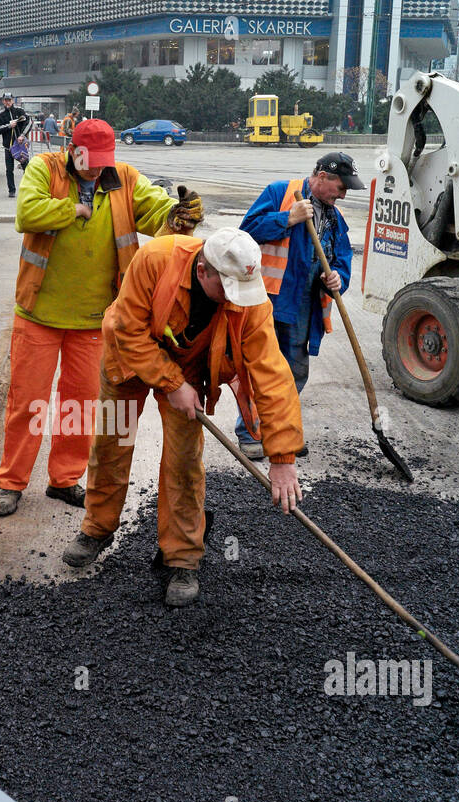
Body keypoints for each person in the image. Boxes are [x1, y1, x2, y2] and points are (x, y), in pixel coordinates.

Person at [60, 229, 305, 607]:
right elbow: (127, 328)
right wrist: (171, 384)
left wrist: (283, 458)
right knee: (111, 445)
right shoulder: (156, 259)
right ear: (203, 269)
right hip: (128, 359)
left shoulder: (248, 297)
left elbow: (272, 376)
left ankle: (183, 558)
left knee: (184, 462)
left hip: (189, 365)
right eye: (225, 289)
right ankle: (97, 529)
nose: (234, 300)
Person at [0, 119, 204, 518]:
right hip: (39, 312)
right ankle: (11, 482)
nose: (95, 170)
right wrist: (72, 209)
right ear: (73, 150)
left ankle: (64, 479)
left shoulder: (122, 178)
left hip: (94, 318)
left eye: (102, 162)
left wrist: (177, 215)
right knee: (27, 402)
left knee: (81, 404)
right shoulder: (45, 169)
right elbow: (27, 212)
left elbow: (155, 212)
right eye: (89, 162)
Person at [232, 152, 358, 459]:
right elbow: (245, 232)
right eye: (340, 187)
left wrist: (338, 278)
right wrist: (287, 218)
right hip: (269, 301)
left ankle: (282, 433)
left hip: (305, 304)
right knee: (261, 370)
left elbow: (343, 257)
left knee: (294, 372)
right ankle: (250, 433)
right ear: (322, 177)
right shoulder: (280, 193)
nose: (342, 195)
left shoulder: (334, 217)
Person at [0, 92, 29, 196]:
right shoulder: (1, 115)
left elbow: (28, 122)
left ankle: (28, 189)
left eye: (9, 100)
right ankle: (12, 191)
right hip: (8, 148)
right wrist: (9, 125)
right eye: (6, 100)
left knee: (27, 168)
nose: (8, 102)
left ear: (13, 100)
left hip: (21, 147)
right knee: (9, 170)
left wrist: (22, 135)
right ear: (3, 101)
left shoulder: (20, 111)